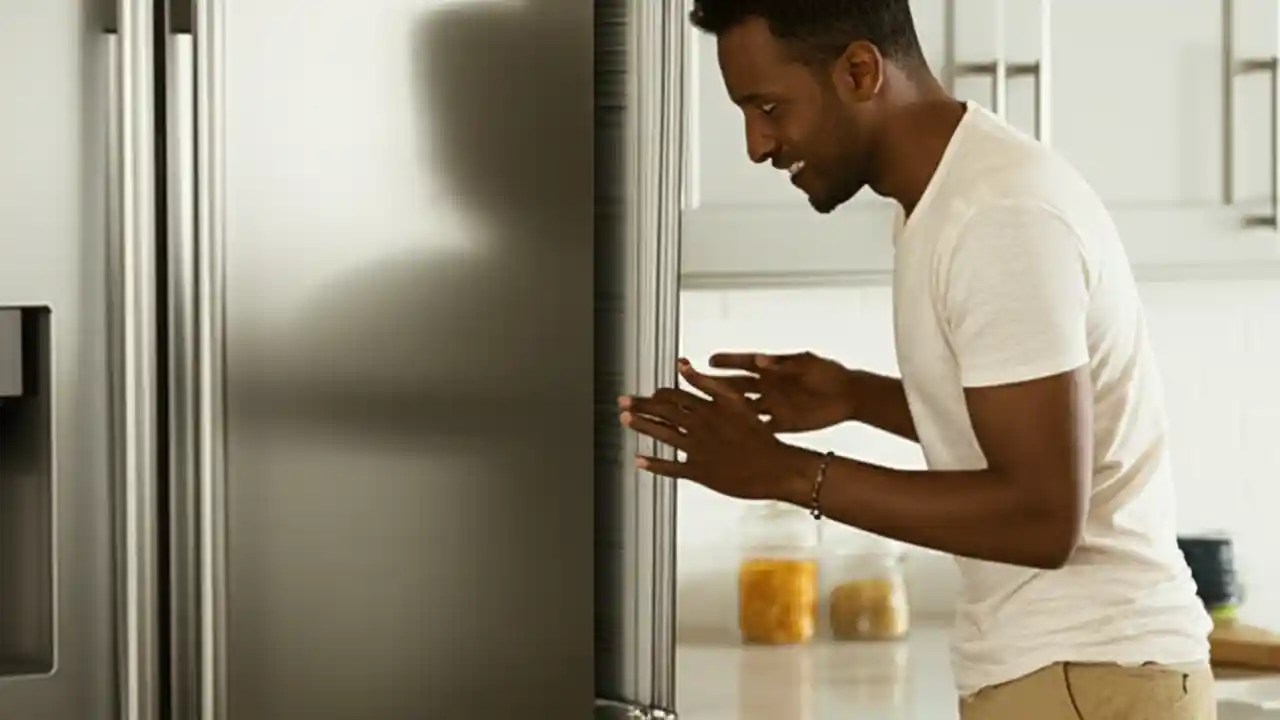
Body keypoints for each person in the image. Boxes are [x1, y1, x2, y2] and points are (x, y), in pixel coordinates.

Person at [617, 2, 1217, 718]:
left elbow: (1041, 516)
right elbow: (1023, 432)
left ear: (860, 71)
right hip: (1077, 671)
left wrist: (781, 472)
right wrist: (857, 396)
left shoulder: (997, 217)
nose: (756, 144)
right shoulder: (950, 196)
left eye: (770, 106)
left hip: (1087, 672)